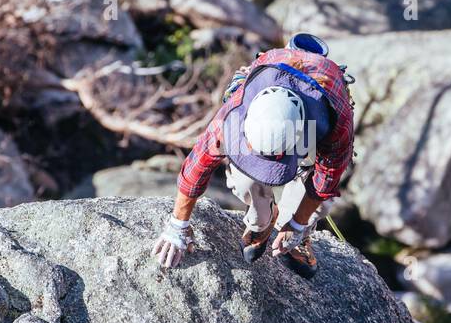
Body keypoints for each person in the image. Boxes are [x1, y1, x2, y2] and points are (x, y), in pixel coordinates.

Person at [151, 34, 354, 277]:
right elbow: (197, 166)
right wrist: (178, 225)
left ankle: (293, 230)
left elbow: (325, 182)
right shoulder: (236, 113)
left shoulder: (333, 119)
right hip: (275, 91)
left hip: (314, 117)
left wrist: (298, 224)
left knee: (321, 204)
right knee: (244, 179)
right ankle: (262, 223)